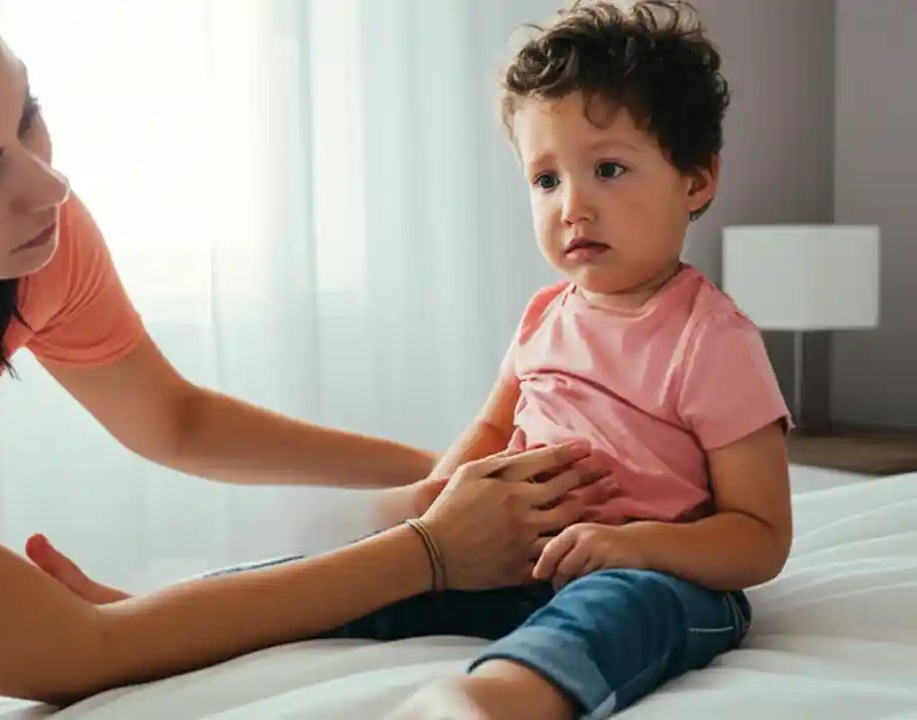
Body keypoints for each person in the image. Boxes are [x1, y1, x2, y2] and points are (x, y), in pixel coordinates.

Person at [0, 1, 616, 718]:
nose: (47, 187)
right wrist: (429, 551)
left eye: (25, 114)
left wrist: (444, 476)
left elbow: (172, 419)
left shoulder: (28, 240)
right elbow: (80, 650)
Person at [212, 2, 793, 719]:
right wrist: (435, 507)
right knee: (362, 578)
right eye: (546, 180)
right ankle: (188, 617)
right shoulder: (545, 315)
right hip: (513, 563)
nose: (572, 206)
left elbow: (761, 538)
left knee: (620, 610)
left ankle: (498, 696)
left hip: (661, 575)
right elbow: (490, 431)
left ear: (696, 181)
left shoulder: (712, 340)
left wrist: (635, 546)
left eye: (608, 168)